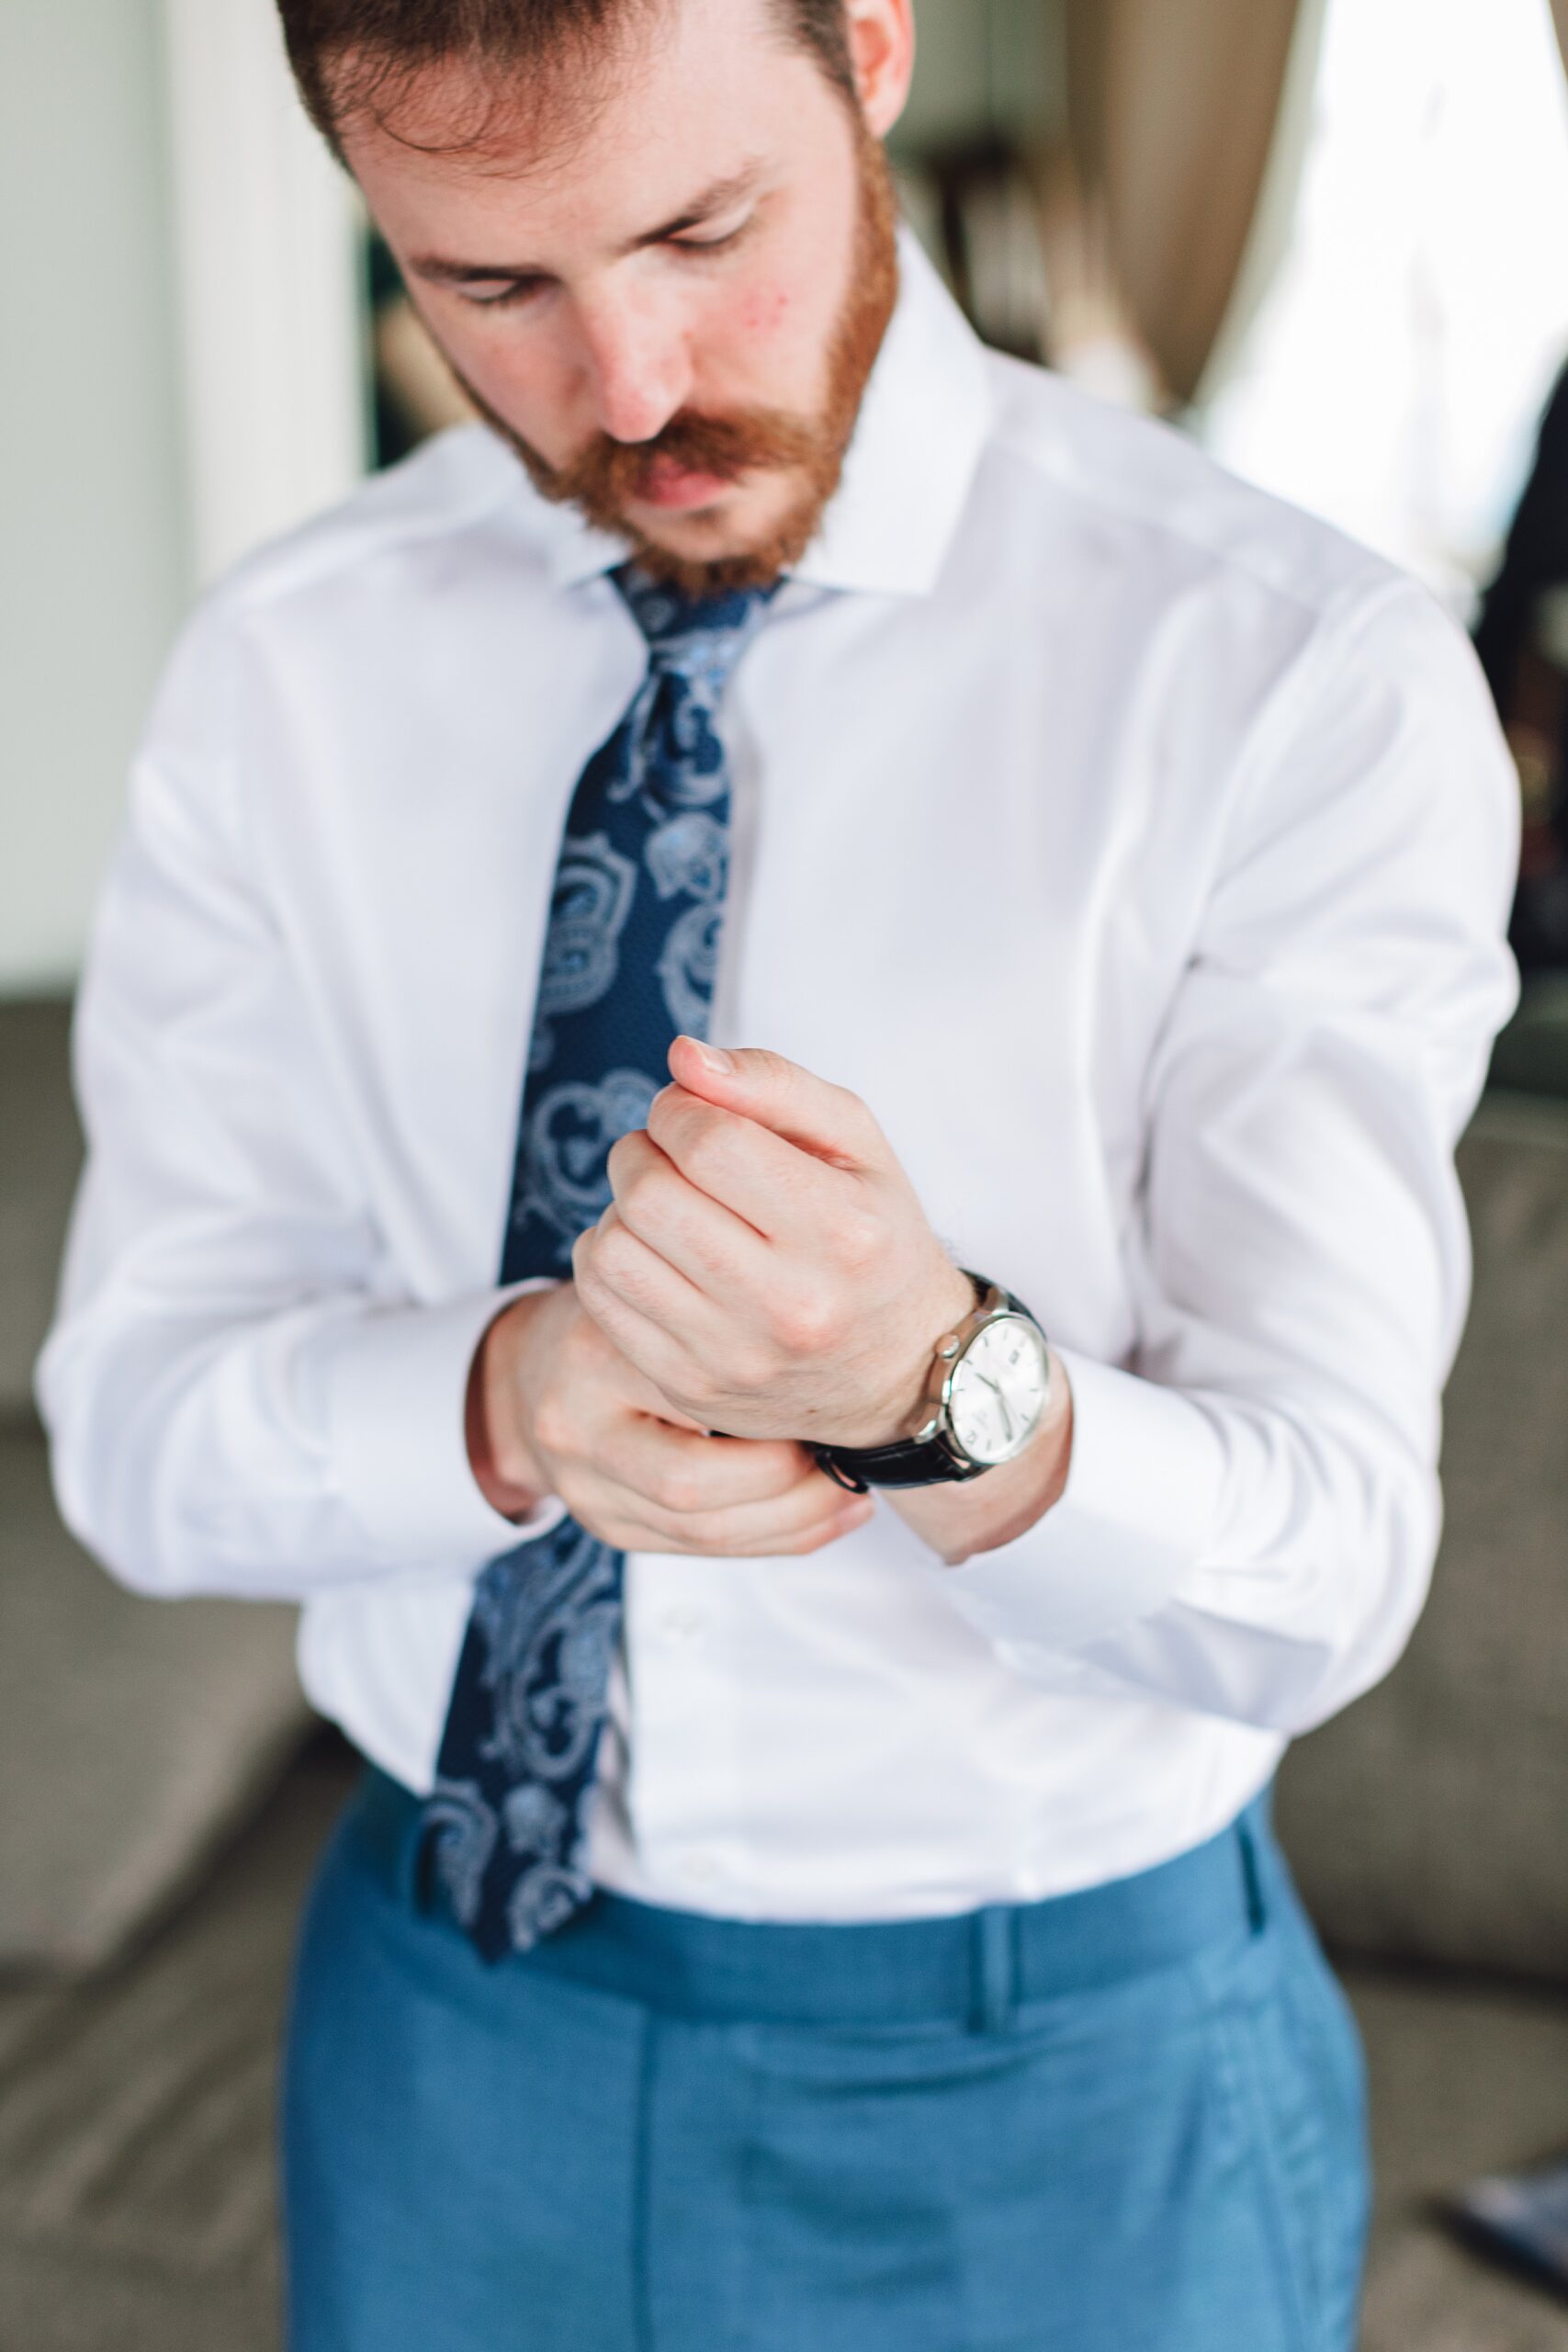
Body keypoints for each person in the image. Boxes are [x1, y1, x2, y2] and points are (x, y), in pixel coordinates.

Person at [37, 2, 1518, 2346]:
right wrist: (505, 1400)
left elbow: (1322, 1566)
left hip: (1059, 2089)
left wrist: (931, 1377)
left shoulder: (1285, 672)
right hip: (447, 2019)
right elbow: (136, 1443)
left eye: (698, 229)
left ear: (869, 52)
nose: (624, 387)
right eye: (485, 287)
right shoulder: (282, 676)